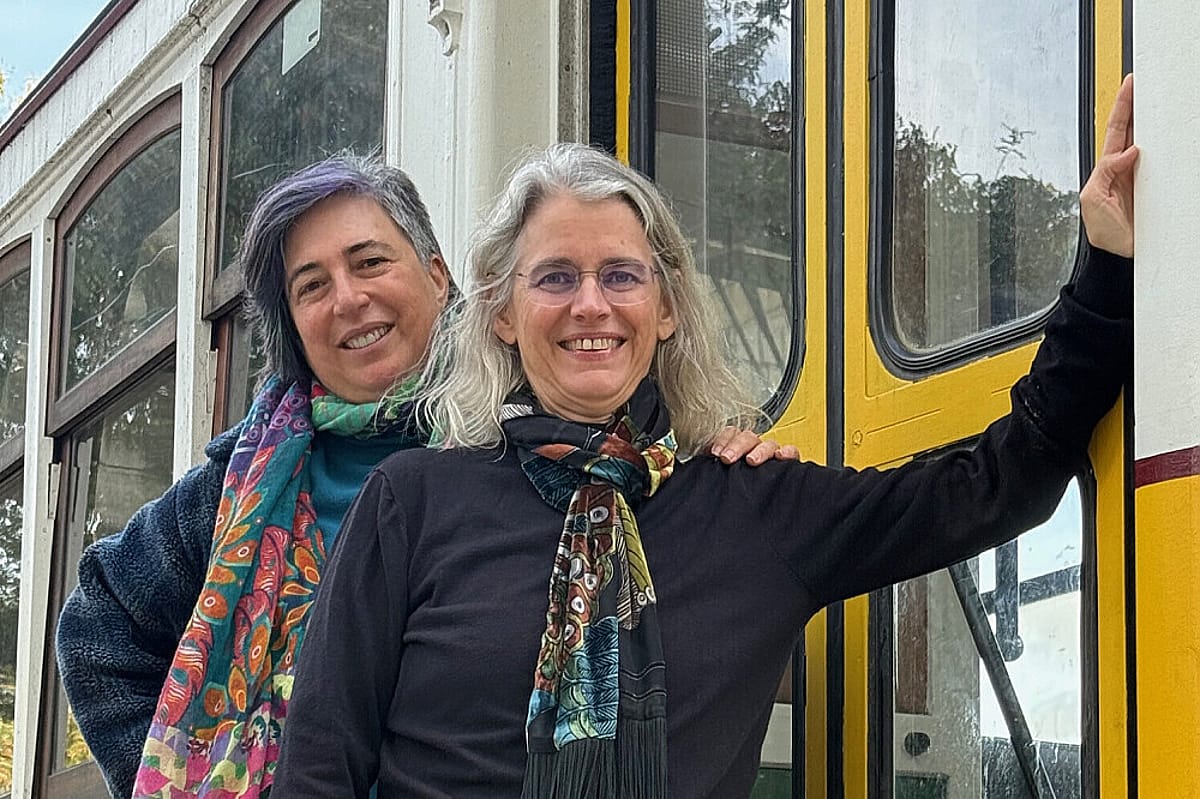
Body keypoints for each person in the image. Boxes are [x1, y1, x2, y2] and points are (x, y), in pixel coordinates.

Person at [272, 77, 1137, 798]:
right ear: (501, 312)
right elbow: (320, 767)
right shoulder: (413, 501)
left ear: (667, 309)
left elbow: (1001, 481)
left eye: (621, 276)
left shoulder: (754, 507)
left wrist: (1107, 266)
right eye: (555, 278)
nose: (590, 305)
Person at [54, 154, 794, 799]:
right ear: (293, 325)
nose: (348, 299)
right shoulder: (242, 488)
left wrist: (722, 458)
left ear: (438, 276)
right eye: (311, 286)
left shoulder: (558, 437)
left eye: (370, 262)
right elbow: (96, 629)